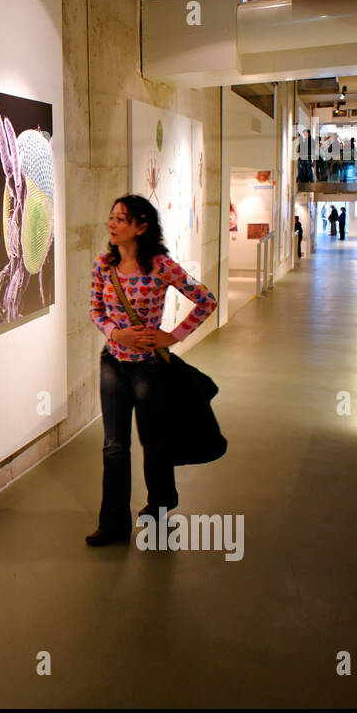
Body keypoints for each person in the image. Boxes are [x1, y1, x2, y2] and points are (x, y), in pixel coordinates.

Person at [86, 195, 217, 546]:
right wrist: (117, 333)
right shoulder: (103, 264)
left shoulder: (161, 266)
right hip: (113, 363)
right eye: (111, 218)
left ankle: (159, 506)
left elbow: (206, 300)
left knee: (153, 443)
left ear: (141, 227)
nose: (112, 224)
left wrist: (172, 335)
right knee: (114, 446)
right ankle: (114, 523)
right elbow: (96, 310)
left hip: (150, 369)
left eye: (121, 219)